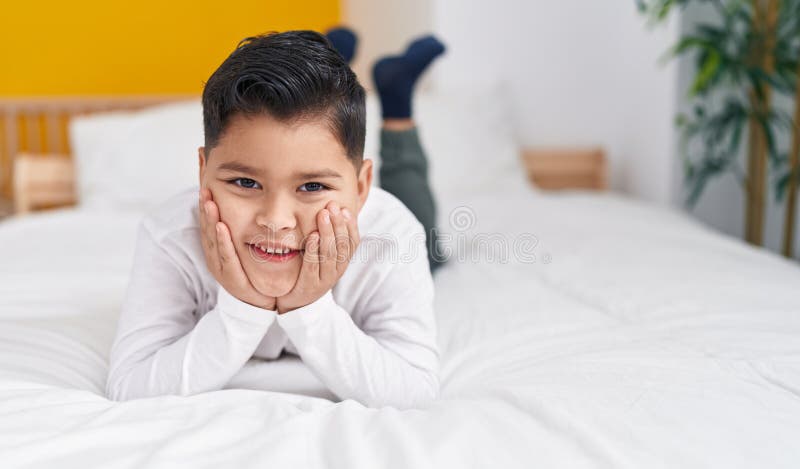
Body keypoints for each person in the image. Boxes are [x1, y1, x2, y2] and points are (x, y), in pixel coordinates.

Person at [105, 29, 445, 409]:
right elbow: (129, 385)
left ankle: (395, 104)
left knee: (432, 244)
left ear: (362, 186)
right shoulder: (169, 235)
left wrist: (308, 309)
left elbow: (414, 391)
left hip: (396, 228)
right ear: (202, 171)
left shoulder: (394, 235)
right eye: (246, 182)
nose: (276, 220)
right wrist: (243, 306)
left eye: (312, 186)